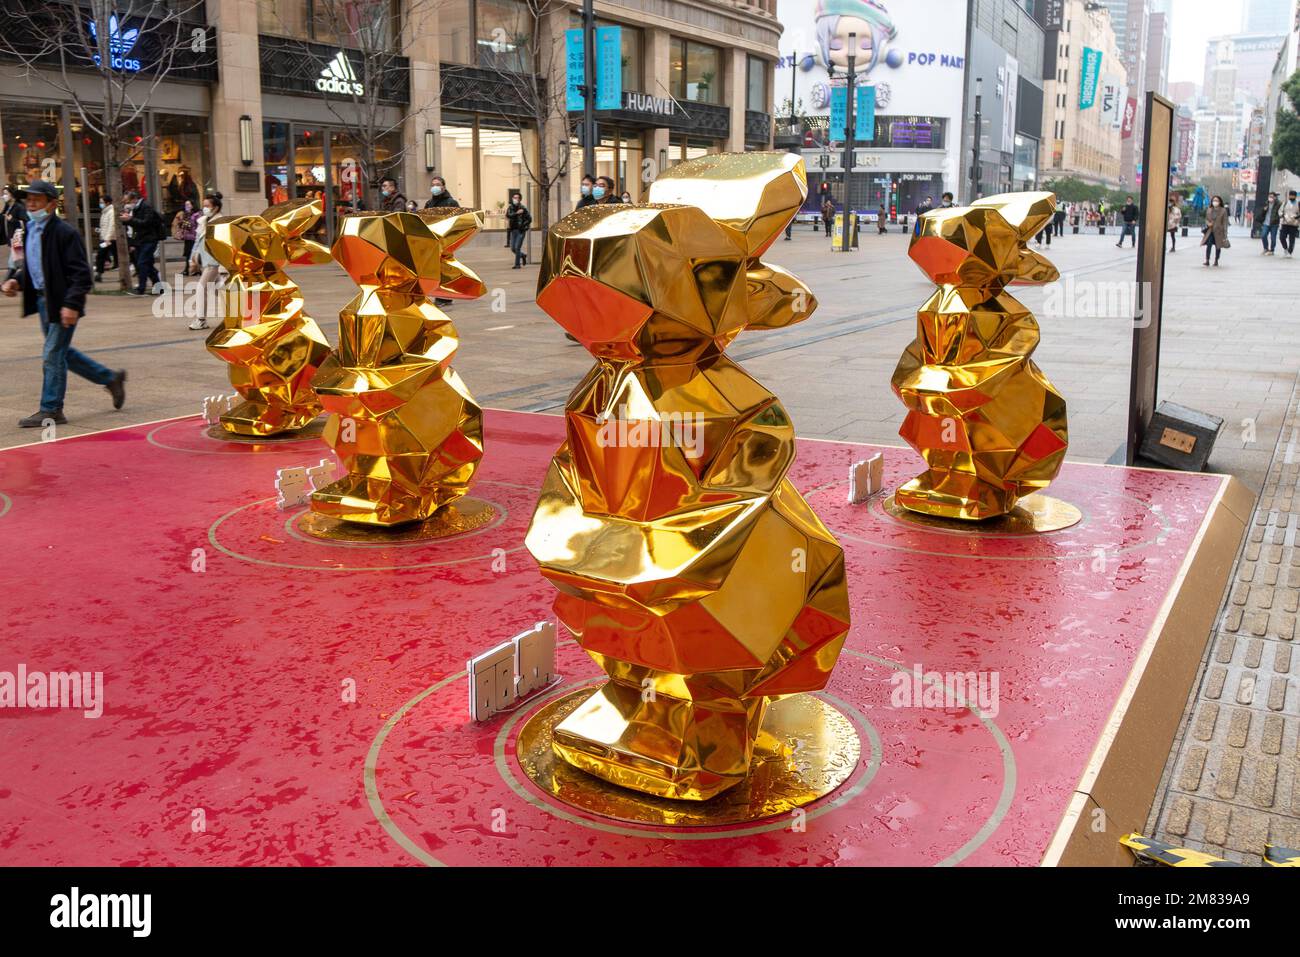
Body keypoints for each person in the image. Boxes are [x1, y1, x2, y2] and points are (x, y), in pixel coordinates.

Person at [1, 180, 126, 427]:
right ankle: (110, 379)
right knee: (61, 352)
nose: (31, 204)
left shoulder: (64, 232)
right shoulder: (32, 230)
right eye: (28, 200)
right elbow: (34, 266)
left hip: (62, 303)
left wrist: (71, 305)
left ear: (51, 204)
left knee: (52, 353)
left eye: (37, 200)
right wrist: (17, 280)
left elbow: (81, 274)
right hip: (43, 302)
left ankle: (51, 409)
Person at [188, 193, 224, 331]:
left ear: (216, 207)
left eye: (207, 206)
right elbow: (197, 241)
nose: (205, 208)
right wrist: (193, 257)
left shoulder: (221, 222)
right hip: (205, 261)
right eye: (203, 206)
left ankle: (200, 319)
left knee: (201, 288)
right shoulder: (203, 221)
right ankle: (238, 311)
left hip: (214, 262)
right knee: (219, 290)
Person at [121, 189, 164, 295]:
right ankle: (159, 287)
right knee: (147, 264)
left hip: (149, 239)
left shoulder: (146, 207)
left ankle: (141, 288)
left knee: (142, 263)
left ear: (134, 199)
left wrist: (130, 220)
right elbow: (135, 226)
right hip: (140, 240)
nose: (127, 204)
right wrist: (127, 220)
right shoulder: (135, 209)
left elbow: (146, 223)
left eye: (128, 202)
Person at [2, 185, 27, 270]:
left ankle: (8, 281)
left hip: (18, 240)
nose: (3, 196)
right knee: (17, 264)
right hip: (12, 240)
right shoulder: (8, 207)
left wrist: (12, 219)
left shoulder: (18, 207)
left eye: (6, 194)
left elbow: (25, 222)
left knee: (12, 265)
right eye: (3, 194)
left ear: (12, 194)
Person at [94, 193, 117, 281]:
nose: (100, 204)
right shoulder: (105, 211)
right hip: (106, 238)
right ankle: (99, 274)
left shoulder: (111, 212)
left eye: (101, 202)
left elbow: (112, 225)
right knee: (101, 256)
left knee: (101, 255)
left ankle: (99, 273)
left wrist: (107, 238)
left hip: (109, 239)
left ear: (107, 203)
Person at [172, 200, 199, 276]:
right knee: (188, 254)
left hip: (194, 237)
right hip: (187, 237)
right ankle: (194, 270)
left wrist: (187, 222)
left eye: (188, 204)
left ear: (192, 205)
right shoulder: (186, 214)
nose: (187, 206)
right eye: (185, 204)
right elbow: (183, 225)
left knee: (191, 254)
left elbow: (195, 225)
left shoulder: (196, 214)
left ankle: (188, 270)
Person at [506, 190, 532, 269]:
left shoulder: (523, 208)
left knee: (517, 247)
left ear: (519, 199)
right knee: (513, 248)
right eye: (514, 197)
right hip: (513, 231)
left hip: (520, 231)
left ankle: (517, 265)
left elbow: (529, 219)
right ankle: (523, 255)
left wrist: (524, 226)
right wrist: (517, 213)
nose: (515, 199)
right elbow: (508, 215)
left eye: (516, 198)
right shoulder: (510, 207)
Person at [1202, 194, 1229, 267]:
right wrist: (1208, 223)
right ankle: (1207, 260)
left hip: (1219, 231)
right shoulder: (1209, 209)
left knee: (1218, 246)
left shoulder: (1223, 211)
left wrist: (1225, 233)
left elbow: (1225, 222)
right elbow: (1206, 219)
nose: (1215, 202)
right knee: (1209, 245)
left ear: (1220, 202)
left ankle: (1216, 260)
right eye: (1214, 200)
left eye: (1216, 200)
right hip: (1210, 230)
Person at [1279, 189, 1299, 257]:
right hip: (1285, 223)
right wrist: (1282, 215)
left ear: (1295, 196)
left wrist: (1296, 217)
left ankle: (1290, 252)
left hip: (1294, 224)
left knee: (1292, 239)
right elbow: (1280, 211)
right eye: (1291, 195)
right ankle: (1285, 248)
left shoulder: (1298, 203)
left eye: (1293, 195)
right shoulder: (1285, 202)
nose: (1292, 196)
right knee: (1282, 237)